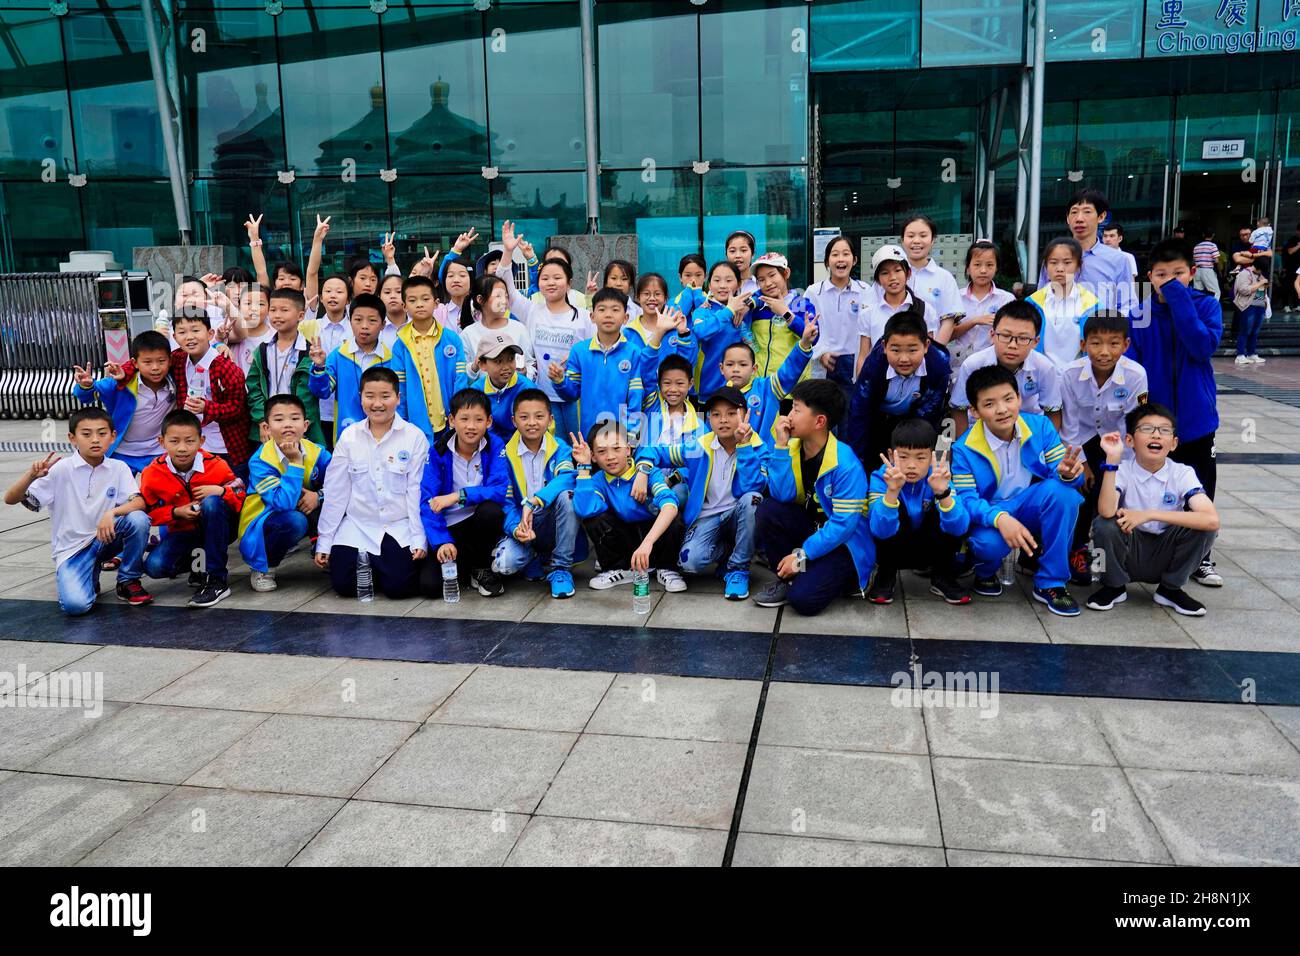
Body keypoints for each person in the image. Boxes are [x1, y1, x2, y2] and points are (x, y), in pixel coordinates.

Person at [951, 365, 1087, 617]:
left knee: (1064, 494)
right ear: (975, 411)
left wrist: (1068, 474)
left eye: (1008, 399)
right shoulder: (963, 449)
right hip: (991, 511)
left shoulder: (1040, 427)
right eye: (989, 404)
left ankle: (1051, 582)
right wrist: (1001, 519)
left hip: (1028, 503)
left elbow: (1063, 473)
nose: (1002, 409)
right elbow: (967, 501)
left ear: (1019, 398)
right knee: (987, 544)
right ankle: (984, 571)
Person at [1124, 238, 1222, 587]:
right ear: (1149, 276)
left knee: (1199, 483)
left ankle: (1201, 557)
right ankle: (1148, 546)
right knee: (1150, 483)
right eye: (1161, 275)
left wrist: (1180, 300)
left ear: (1192, 273)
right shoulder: (1139, 315)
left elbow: (1201, 347)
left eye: (1178, 274)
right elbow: (1132, 369)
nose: (1168, 281)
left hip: (1196, 419)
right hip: (1154, 421)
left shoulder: (1206, 306)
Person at [2, 408, 153, 614]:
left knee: (138, 519)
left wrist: (111, 513)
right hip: (73, 550)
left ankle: (128, 580)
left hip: (105, 537)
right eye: (86, 434)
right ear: (72, 438)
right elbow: (10, 499)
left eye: (102, 433)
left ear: (113, 436)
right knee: (76, 606)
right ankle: (89, 573)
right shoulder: (60, 469)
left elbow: (138, 502)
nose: (95, 440)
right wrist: (31, 476)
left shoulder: (118, 467)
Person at [753, 380, 873, 614]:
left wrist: (802, 555)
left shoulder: (845, 464)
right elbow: (782, 495)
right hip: (813, 531)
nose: (789, 415)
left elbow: (843, 527)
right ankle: (788, 577)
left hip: (844, 543)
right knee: (769, 509)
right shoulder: (794, 446)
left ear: (819, 421)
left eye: (797, 409)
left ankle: (844, 575)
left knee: (804, 601)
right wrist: (780, 446)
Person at [635, 385, 766, 600]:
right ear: (709, 419)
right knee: (689, 562)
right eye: (716, 414)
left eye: (731, 414)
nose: (723, 420)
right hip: (708, 516)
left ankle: (738, 569)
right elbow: (656, 451)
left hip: (738, 515)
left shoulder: (759, 447)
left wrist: (744, 447)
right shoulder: (698, 446)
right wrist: (643, 470)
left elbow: (754, 486)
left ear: (745, 414)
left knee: (753, 499)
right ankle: (726, 553)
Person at [1087, 405, 1219, 617]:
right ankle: (1113, 586)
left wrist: (1148, 514)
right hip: (1130, 549)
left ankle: (1170, 589)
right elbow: (1105, 510)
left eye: (1165, 430)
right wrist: (1112, 459)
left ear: (1174, 443)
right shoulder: (1122, 469)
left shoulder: (1182, 473)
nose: (1156, 434)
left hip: (1166, 550)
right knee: (1104, 524)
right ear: (1130, 440)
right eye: (1147, 428)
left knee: (1204, 527)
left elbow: (1211, 520)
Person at [314, 367, 428, 600]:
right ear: (360, 397)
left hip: (398, 526)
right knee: (344, 587)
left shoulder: (414, 437)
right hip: (358, 525)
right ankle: (377, 566)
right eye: (370, 396)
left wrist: (419, 538)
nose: (377, 404)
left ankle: (386, 568)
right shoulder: (349, 436)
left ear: (398, 397)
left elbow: (416, 491)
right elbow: (336, 492)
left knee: (400, 589)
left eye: (385, 396)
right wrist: (324, 542)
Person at [1059, 312, 1148, 584]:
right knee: (1078, 489)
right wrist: (1082, 465)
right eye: (1096, 343)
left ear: (1126, 344)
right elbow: (1069, 424)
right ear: (1083, 344)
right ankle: (1076, 550)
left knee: (1113, 493)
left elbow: (1131, 425)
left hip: (1117, 443)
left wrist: (1118, 469)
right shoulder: (1070, 373)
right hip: (1080, 443)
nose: (1104, 352)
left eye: (1113, 343)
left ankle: (1116, 553)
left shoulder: (1135, 375)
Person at [138, 409, 247, 608]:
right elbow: (147, 512)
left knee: (212, 502)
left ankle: (216, 579)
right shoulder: (152, 473)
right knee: (154, 567)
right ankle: (200, 565)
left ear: (201, 441)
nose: (182, 448)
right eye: (174, 441)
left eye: (189, 441)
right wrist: (174, 512)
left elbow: (241, 495)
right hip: (184, 531)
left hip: (220, 526)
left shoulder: (216, 464)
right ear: (161, 442)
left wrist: (221, 491)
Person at [497, 222, 593, 442]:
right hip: (542, 398)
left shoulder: (583, 316)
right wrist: (508, 250)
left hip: (574, 397)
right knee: (553, 448)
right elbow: (505, 284)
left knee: (580, 444)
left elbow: (593, 349)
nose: (551, 283)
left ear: (569, 282)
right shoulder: (531, 310)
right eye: (545, 278)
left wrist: (576, 354)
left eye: (557, 278)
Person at [573, 420, 686, 593]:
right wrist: (583, 468)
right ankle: (618, 569)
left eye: (617, 448)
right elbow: (585, 510)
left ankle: (667, 568)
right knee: (594, 519)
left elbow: (670, 505)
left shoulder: (648, 473)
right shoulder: (598, 480)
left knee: (674, 517)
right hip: (626, 541)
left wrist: (648, 543)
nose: (610, 456)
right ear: (593, 456)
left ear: (628, 449)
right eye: (602, 451)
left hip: (654, 540)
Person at [866, 419, 970, 605]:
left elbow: (960, 528)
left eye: (920, 457)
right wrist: (892, 493)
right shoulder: (881, 478)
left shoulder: (938, 476)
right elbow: (878, 531)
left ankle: (942, 576)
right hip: (895, 546)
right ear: (891, 455)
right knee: (891, 506)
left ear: (932, 457)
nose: (911, 465)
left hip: (929, 547)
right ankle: (885, 575)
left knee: (945, 507)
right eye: (904, 457)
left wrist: (943, 494)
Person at [420, 389, 509, 598]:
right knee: (430, 588)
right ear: (452, 420)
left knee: (491, 512)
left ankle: (481, 567)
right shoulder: (438, 451)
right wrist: (442, 541)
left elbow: (498, 490)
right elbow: (427, 500)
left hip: (478, 522)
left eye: (478, 419)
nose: (471, 426)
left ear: (488, 422)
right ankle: (463, 564)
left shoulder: (495, 445)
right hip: (449, 526)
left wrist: (458, 495)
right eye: (464, 419)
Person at [491, 388, 579, 599]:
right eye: (524, 417)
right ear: (514, 421)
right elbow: (506, 502)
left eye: (539, 416)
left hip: (551, 519)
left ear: (550, 419)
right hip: (524, 524)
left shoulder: (561, 449)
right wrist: (515, 529)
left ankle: (560, 568)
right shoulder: (504, 455)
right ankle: (532, 556)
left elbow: (567, 476)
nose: (532, 422)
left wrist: (534, 502)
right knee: (502, 565)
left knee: (568, 496)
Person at [237, 394, 331, 593]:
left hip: (301, 509)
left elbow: (342, 483)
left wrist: (319, 496)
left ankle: (327, 551)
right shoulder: (260, 460)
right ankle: (263, 567)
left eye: (295, 418)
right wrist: (296, 463)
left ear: (305, 425)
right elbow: (283, 503)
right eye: (279, 419)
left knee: (337, 503)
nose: (288, 425)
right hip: (264, 522)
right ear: (267, 428)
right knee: (294, 521)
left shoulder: (318, 453)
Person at [845, 311, 951, 469]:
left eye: (912, 350)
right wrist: (856, 463)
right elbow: (860, 413)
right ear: (885, 347)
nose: (904, 359)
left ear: (926, 346)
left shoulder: (938, 366)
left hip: (917, 415)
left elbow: (929, 414)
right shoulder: (874, 365)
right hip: (877, 416)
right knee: (869, 462)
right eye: (895, 350)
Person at [950, 299, 1063, 436]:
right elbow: (959, 408)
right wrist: (967, 449)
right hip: (983, 428)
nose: (1012, 345)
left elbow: (1053, 411)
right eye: (1005, 335)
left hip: (1029, 428)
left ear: (1035, 342)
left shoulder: (1044, 367)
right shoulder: (973, 364)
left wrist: (1045, 446)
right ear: (992, 335)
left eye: (1022, 338)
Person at [71, 330, 175, 474]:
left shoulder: (177, 383)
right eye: (147, 362)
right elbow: (86, 397)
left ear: (170, 361)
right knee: (117, 494)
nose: (155, 367)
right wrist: (86, 385)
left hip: (158, 451)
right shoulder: (120, 384)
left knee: (161, 494)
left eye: (161, 361)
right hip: (122, 451)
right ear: (135, 363)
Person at [167, 309, 252, 482]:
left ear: (210, 333)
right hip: (194, 447)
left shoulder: (226, 367)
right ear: (175, 337)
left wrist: (208, 407)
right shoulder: (177, 359)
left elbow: (238, 407)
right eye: (182, 332)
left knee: (233, 494)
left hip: (227, 446)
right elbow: (150, 360)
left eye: (196, 330)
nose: (189, 337)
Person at [550, 287, 645, 439]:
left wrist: (631, 436)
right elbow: (571, 394)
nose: (608, 315)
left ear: (626, 317)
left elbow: (636, 397)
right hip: (588, 433)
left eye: (615, 310)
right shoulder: (579, 351)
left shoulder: (634, 352)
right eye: (602, 309)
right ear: (592, 316)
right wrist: (560, 381)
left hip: (621, 437)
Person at [309, 291, 402, 444]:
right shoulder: (339, 355)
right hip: (346, 434)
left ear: (383, 324)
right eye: (358, 320)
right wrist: (319, 367)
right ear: (350, 321)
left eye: (372, 320)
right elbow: (322, 392)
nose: (364, 326)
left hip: (384, 434)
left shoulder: (391, 359)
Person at [389, 275, 467, 442]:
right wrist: (402, 422)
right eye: (412, 300)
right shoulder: (400, 345)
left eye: (425, 299)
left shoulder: (452, 339)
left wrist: (458, 415)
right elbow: (399, 388)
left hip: (449, 422)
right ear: (404, 306)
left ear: (436, 303)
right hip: (415, 426)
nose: (419, 304)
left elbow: (460, 380)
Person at [717, 317, 817, 446]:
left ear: (754, 369)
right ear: (721, 368)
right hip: (730, 459)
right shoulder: (718, 397)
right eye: (730, 364)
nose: (736, 369)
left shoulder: (767, 388)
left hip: (764, 459)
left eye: (743, 365)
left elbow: (788, 372)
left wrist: (804, 344)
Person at [246, 288, 325, 447]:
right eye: (273, 310)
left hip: (301, 429)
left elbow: (317, 394)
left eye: (284, 310)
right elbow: (253, 388)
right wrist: (262, 420)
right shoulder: (262, 350)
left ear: (301, 316)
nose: (277, 315)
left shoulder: (309, 352)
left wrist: (319, 366)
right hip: (269, 428)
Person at [1040, 189, 1133, 314]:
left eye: (1087, 212)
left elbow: (1128, 305)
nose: (1079, 219)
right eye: (1074, 212)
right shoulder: (1053, 259)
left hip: (1100, 330)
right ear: (1067, 218)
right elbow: (1041, 301)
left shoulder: (1118, 260)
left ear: (1101, 216)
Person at [856, 244, 941, 371]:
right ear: (878, 280)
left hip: (915, 384)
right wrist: (861, 386)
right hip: (880, 384)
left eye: (897, 270)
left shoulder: (925, 310)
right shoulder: (868, 314)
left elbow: (930, 354)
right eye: (885, 273)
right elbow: (864, 356)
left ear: (908, 273)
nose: (893, 277)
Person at [805, 234, 871, 392]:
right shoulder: (813, 292)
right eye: (835, 254)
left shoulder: (865, 291)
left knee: (852, 412)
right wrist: (821, 353)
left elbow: (870, 330)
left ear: (854, 260)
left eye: (846, 254)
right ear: (827, 262)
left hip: (855, 362)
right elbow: (805, 328)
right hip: (825, 362)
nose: (840, 259)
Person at [1028, 237, 1100, 366]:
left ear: (1078, 266)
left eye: (1067, 263)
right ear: (1045, 266)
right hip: (1040, 376)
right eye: (1053, 262)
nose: (1060, 269)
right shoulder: (1032, 303)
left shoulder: (1093, 305)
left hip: (1079, 376)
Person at [748, 252, 818, 380]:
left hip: (793, 388)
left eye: (772, 275)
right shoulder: (756, 307)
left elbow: (814, 338)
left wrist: (786, 314)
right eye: (761, 280)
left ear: (786, 273)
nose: (768, 283)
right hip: (761, 387)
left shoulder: (802, 305)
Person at [948, 240, 1014, 375]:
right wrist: (974, 321)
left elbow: (1012, 335)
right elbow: (948, 335)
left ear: (996, 268)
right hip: (959, 366)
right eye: (977, 265)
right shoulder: (955, 297)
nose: (983, 270)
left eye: (990, 265)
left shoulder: (1006, 299)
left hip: (993, 366)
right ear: (968, 267)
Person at [687, 261, 753, 397]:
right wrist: (728, 311)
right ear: (710, 284)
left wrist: (752, 303)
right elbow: (701, 332)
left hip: (739, 392)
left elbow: (765, 295)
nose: (722, 285)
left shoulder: (743, 310)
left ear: (738, 284)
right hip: (707, 393)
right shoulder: (703, 311)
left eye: (729, 280)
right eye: (717, 280)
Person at [459, 274, 535, 380]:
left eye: (506, 296)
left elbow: (530, 364)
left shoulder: (519, 329)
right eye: (498, 296)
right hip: (482, 395)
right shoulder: (468, 334)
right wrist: (474, 367)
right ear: (480, 299)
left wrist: (525, 373)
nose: (504, 301)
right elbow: (461, 375)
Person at [896, 213, 962, 334]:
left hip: (931, 347)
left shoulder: (944, 278)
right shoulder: (892, 275)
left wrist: (935, 351)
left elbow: (948, 322)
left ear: (933, 240)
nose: (916, 241)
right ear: (902, 240)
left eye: (923, 235)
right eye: (910, 236)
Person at [469, 332, 538, 441]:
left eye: (511, 359)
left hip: (521, 446)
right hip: (489, 445)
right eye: (498, 361)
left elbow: (534, 429)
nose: (506, 367)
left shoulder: (527, 390)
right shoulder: (476, 391)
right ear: (482, 364)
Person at [1232, 258, 1270, 365]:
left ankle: (1251, 353)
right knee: (1245, 330)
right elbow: (1243, 289)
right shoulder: (1244, 274)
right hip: (1248, 306)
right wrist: (1260, 283)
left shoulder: (1260, 275)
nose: (1261, 272)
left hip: (1260, 306)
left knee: (1255, 331)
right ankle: (1240, 355)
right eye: (1261, 270)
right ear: (1257, 267)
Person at [724, 230, 759, 296]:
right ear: (726, 255)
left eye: (743, 250)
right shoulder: (720, 284)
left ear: (753, 254)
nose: (738, 255)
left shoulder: (760, 283)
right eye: (732, 251)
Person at [1192, 228, 1222, 298]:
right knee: (1216, 292)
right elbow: (1216, 260)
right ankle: (1212, 308)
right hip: (1207, 270)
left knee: (1198, 292)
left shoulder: (1197, 246)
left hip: (1197, 271)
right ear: (1213, 235)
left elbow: (1194, 260)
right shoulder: (1212, 246)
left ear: (1203, 235)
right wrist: (1220, 271)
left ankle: (1198, 308)